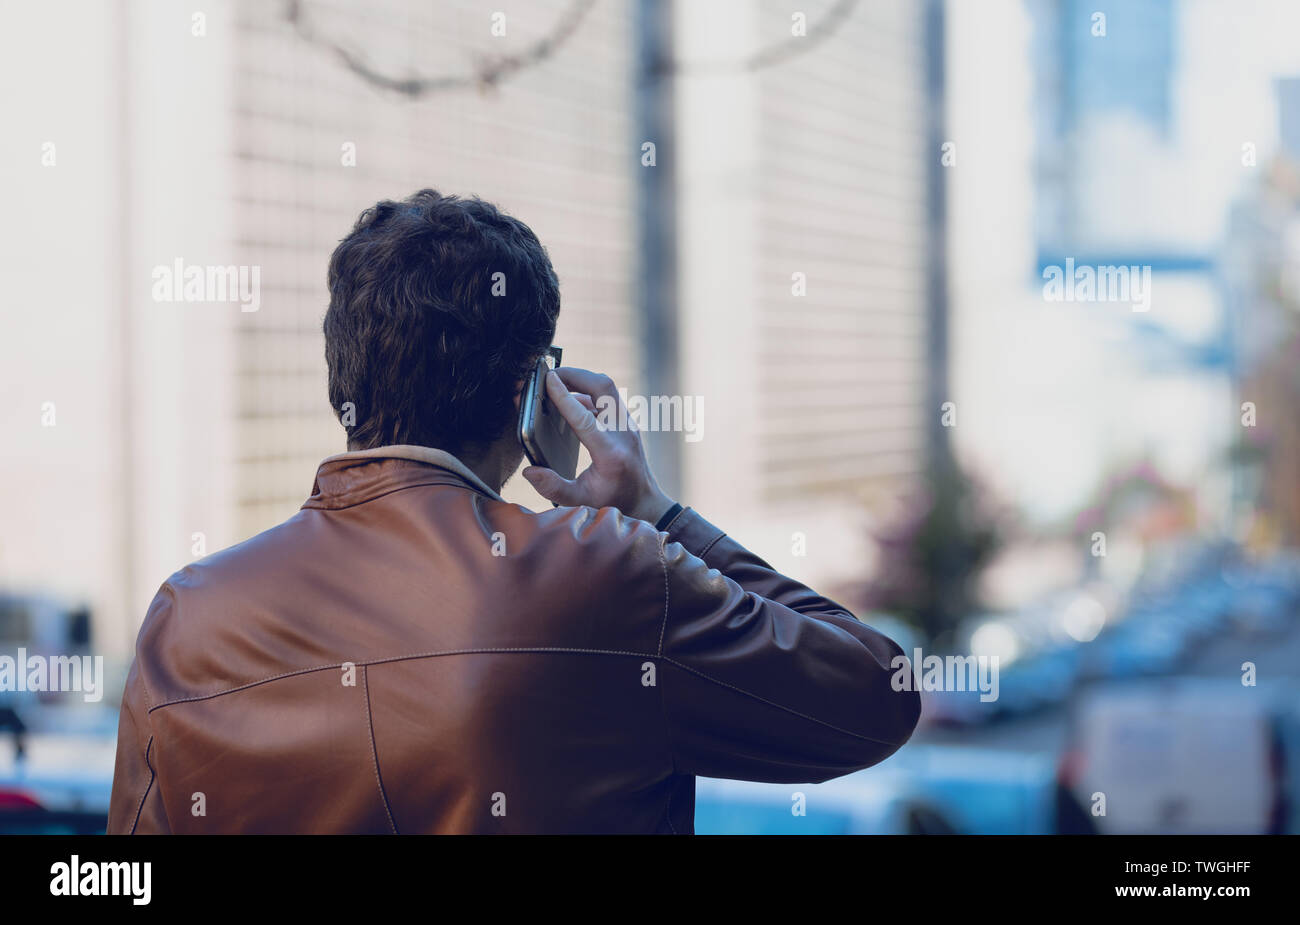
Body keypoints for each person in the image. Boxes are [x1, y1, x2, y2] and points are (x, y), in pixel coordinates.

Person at [107, 189, 920, 834]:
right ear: (535, 391)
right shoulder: (606, 570)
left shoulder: (190, 616)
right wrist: (659, 513)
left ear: (341, 373)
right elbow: (878, 695)